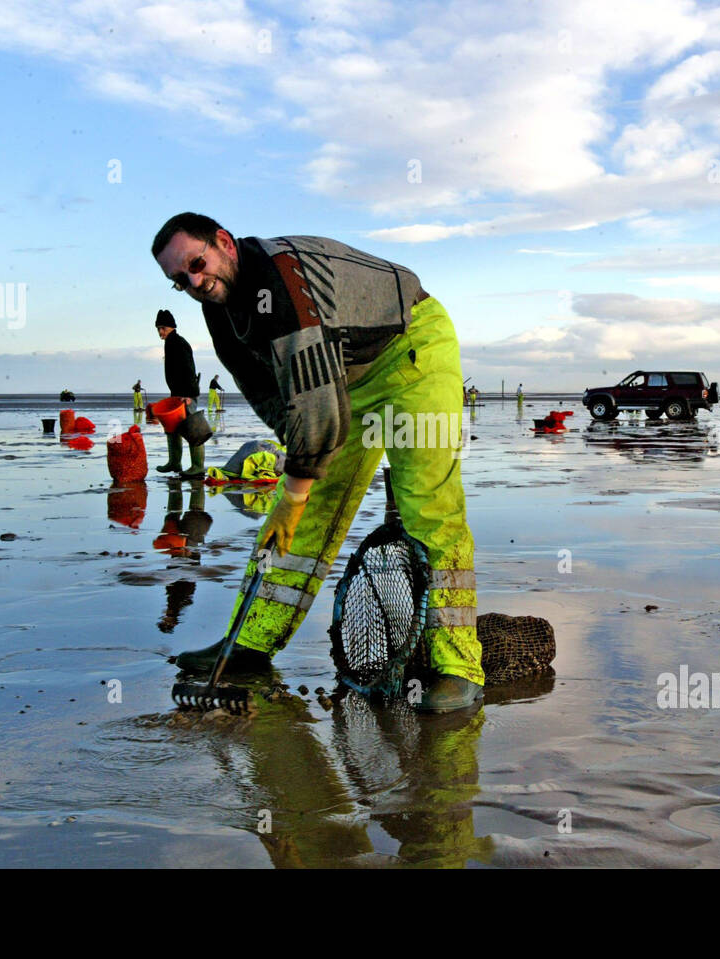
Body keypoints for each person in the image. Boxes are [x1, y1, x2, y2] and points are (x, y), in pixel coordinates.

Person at [151, 213, 483, 713]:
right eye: (181, 281)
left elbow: (315, 397)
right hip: (345, 377)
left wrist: (295, 485)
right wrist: (297, 468)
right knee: (299, 519)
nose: (195, 282)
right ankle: (249, 644)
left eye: (197, 264)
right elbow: (265, 389)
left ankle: (457, 670)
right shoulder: (221, 308)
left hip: (413, 351)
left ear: (224, 242)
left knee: (428, 509)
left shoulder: (282, 281)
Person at [154, 309, 205, 476]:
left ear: (171, 327)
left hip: (186, 393)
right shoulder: (170, 342)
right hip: (177, 393)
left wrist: (188, 395)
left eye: (163, 328)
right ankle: (174, 463)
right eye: (158, 328)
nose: (160, 332)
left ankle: (197, 467)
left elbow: (188, 369)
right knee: (172, 426)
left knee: (192, 428)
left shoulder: (178, 342)